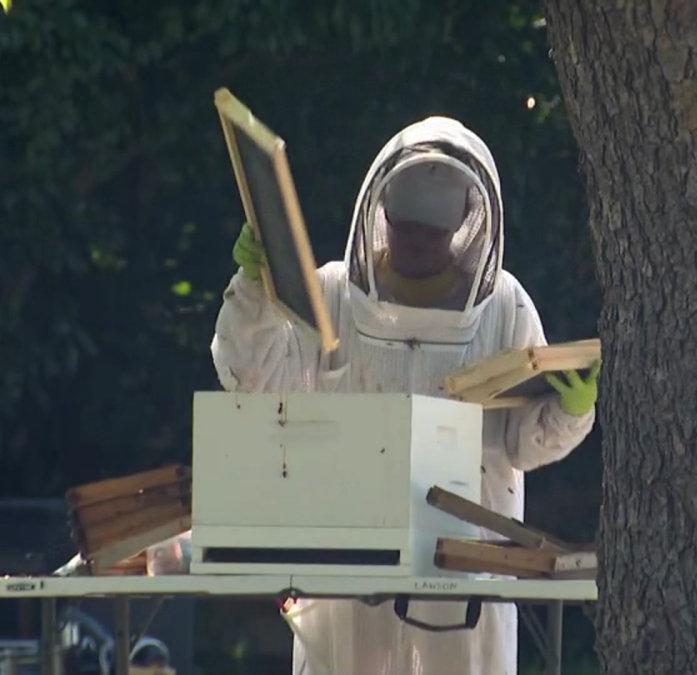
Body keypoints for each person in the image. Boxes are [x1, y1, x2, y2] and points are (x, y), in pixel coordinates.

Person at [210, 116, 599, 675]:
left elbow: (521, 446)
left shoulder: (505, 306)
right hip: (344, 578)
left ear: (465, 225)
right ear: (383, 214)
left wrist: (569, 410)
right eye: (406, 227)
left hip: (467, 575)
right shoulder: (332, 295)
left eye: (432, 233)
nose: (417, 243)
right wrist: (253, 289)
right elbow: (251, 380)